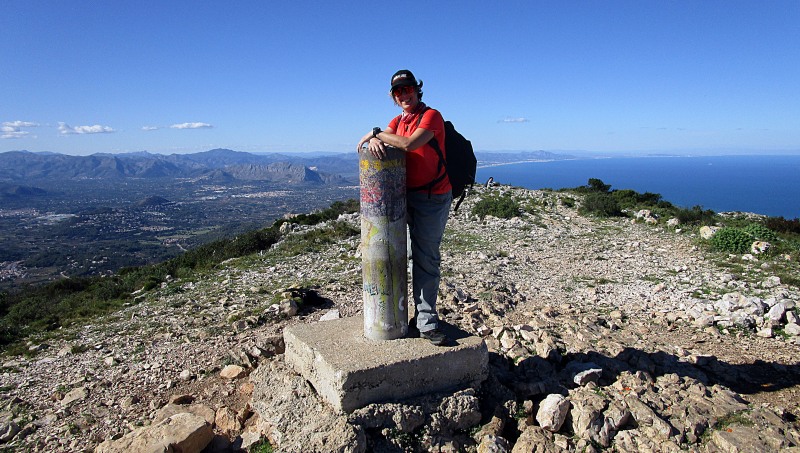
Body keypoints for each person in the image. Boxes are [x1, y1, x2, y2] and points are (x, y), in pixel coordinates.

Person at [357, 69, 451, 346]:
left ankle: (426, 322)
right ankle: (398, 317)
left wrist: (375, 133)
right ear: (394, 97)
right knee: (398, 254)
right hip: (403, 195)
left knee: (425, 258)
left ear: (417, 90)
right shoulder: (398, 120)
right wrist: (377, 138)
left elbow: (408, 144)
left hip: (432, 198)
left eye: (408, 89)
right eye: (398, 92)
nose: (404, 95)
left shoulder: (431, 116)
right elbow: (387, 137)